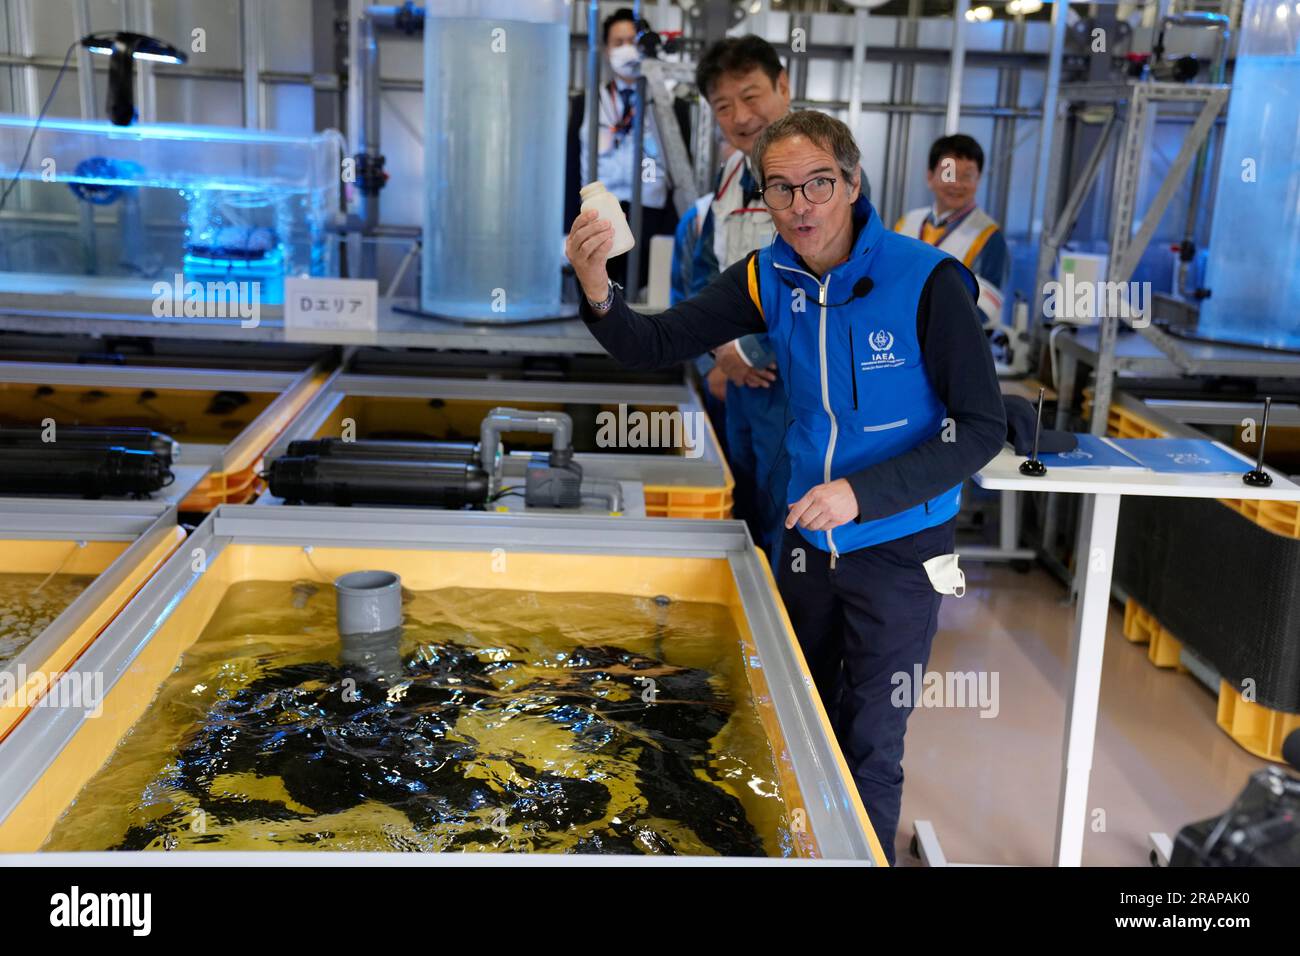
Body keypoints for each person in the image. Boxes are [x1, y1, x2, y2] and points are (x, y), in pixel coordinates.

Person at [568, 110, 1006, 865]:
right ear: (764, 198)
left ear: (852, 182)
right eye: (782, 189)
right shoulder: (768, 276)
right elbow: (658, 340)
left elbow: (979, 429)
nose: (802, 204)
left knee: (872, 739)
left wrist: (862, 494)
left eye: (819, 184)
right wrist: (597, 287)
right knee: (797, 715)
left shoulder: (926, 280)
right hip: (806, 545)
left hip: (902, 548)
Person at [673, 35, 870, 567]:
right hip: (740, 389)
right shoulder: (729, 181)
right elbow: (703, 279)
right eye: (723, 105)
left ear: (784, 86)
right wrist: (718, 356)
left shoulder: (831, 172)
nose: (740, 115)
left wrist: (752, 353)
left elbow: (845, 284)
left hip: (806, 387)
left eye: (752, 94)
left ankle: (792, 642)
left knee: (796, 523)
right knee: (746, 514)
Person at [578, 7, 677, 296]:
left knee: (642, 293)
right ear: (605, 50)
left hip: (649, 210)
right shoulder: (590, 100)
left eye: (632, 42)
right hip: (600, 207)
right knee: (599, 291)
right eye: (617, 43)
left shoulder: (664, 100)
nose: (625, 50)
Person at [895, 134, 1009, 329]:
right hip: (902, 338)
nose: (957, 184)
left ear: (978, 179)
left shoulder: (989, 236)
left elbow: (984, 308)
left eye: (967, 176)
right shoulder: (907, 222)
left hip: (956, 345)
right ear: (930, 177)